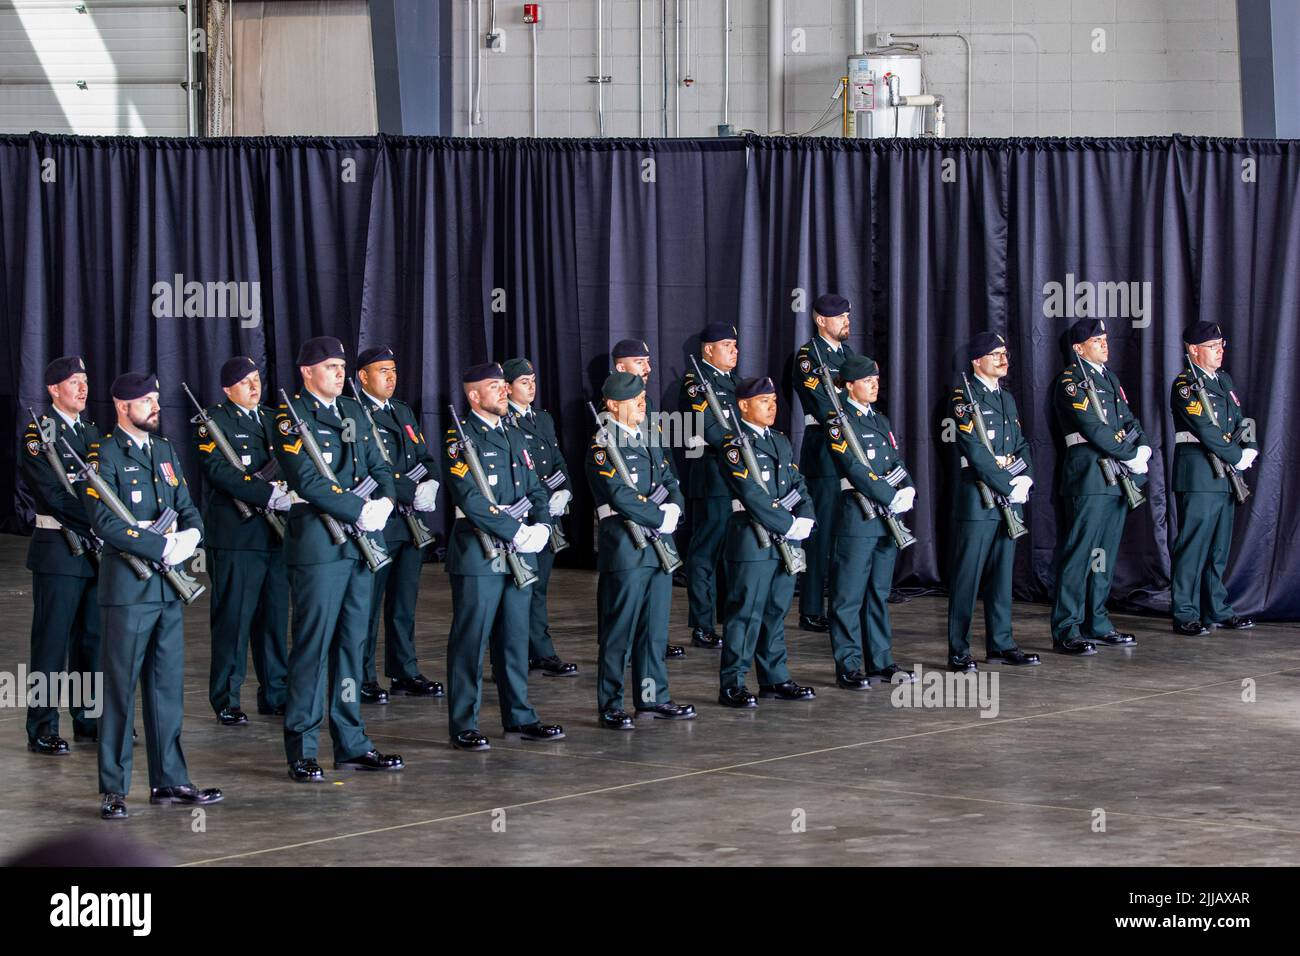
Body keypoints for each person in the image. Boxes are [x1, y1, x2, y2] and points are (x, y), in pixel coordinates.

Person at [86, 372, 222, 819]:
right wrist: (156, 544)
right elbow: (104, 523)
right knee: (120, 692)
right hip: (128, 589)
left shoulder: (164, 451)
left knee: (166, 690)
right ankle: (114, 788)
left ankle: (170, 780)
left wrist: (190, 537)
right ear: (122, 406)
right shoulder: (103, 454)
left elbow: (186, 505)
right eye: (145, 400)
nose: (154, 406)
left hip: (167, 587)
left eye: (155, 399)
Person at [274, 336, 404, 781]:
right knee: (313, 647)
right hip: (318, 547)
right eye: (329, 366)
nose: (338, 373)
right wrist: (356, 508)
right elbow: (307, 479)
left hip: (359, 545)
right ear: (306, 372)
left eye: (341, 366)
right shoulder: (291, 419)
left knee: (352, 647)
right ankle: (303, 748)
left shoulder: (354, 412)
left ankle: (351, 741)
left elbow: (380, 465)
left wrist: (384, 501)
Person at [443, 362, 564, 751]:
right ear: (474, 396)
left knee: (514, 638)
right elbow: (471, 500)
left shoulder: (515, 433)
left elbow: (536, 487)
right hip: (479, 553)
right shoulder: (460, 439)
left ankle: (520, 716)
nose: (502, 392)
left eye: (502, 386)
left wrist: (542, 526)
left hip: (521, 550)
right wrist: (517, 531)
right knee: (471, 639)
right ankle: (464, 722)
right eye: (493, 388)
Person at [587, 371, 696, 729]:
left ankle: (651, 697)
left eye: (643, 398)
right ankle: (611, 704)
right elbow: (619, 495)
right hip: (626, 548)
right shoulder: (603, 445)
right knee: (619, 631)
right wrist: (658, 515)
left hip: (659, 546)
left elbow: (669, 477)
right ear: (614, 405)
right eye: (635, 401)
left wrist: (674, 509)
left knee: (654, 631)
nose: (642, 404)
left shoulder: (650, 435)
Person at [195, 356, 291, 725]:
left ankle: (275, 693)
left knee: (273, 619)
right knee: (233, 620)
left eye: (256, 379)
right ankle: (226, 698)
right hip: (236, 535)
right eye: (245, 381)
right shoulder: (214, 422)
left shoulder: (271, 419)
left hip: (274, 535)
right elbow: (219, 472)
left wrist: (285, 492)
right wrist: (265, 492)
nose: (255, 386)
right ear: (226, 389)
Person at [1050, 319, 1151, 655]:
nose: (1105, 344)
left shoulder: (1108, 378)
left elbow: (1128, 419)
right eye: (1097, 340)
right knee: (1081, 552)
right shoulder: (1071, 381)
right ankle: (1067, 627)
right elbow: (1093, 427)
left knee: (1102, 554)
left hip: (1117, 475)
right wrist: (1129, 453)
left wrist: (1142, 449)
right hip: (1090, 475)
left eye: (1105, 339)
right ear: (1079, 348)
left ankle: (1098, 620)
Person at [715, 376, 816, 708]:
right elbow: (752, 495)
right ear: (744, 405)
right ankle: (733, 684)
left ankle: (775, 677)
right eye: (764, 401)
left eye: (774, 401)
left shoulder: (780, 441)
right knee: (745, 613)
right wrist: (788, 523)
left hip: (784, 540)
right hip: (751, 540)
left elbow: (798, 484)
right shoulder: (733, 445)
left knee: (775, 610)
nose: (772, 407)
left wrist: (806, 517)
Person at [20, 356, 102, 755]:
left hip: (92, 551)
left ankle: (88, 719)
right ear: (54, 390)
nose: (83, 388)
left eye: (85, 381)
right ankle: (42, 727)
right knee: (51, 644)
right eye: (74, 382)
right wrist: (100, 520)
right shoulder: (38, 434)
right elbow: (51, 496)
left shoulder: (89, 431)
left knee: (91, 639)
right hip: (58, 551)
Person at [355, 345, 444, 702]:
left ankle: (403, 670)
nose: (390, 377)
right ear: (363, 377)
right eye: (382, 371)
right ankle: (362, 675)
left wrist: (432, 482)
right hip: (379, 522)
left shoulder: (402, 411)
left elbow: (424, 456)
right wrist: (410, 489)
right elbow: (369, 467)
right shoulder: (355, 414)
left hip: (410, 525)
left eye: (393, 370)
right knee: (368, 605)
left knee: (403, 603)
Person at [946, 332, 1040, 672]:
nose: (1003, 359)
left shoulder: (1007, 399)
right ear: (976, 361)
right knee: (968, 577)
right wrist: (1005, 483)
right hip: (979, 497)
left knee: (1002, 574)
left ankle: (1001, 643)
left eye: (1005, 352)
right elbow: (976, 452)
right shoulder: (963, 399)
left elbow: (1020, 444)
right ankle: (958, 649)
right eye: (995, 354)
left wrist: (1025, 476)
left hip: (1010, 496)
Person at [824, 354, 918, 689]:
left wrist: (906, 487)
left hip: (886, 519)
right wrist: (888, 494)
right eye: (867, 381)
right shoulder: (838, 422)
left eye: (876, 379)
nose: (874, 385)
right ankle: (848, 665)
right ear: (849, 386)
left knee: (878, 592)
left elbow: (895, 460)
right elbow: (854, 467)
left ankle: (880, 660)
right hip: (858, 516)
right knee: (848, 596)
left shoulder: (879, 420)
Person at [1169, 321, 1258, 635]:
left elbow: (1240, 419)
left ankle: (1216, 609)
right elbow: (1205, 428)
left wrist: (1250, 446)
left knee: (1219, 547)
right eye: (1212, 346)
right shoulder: (1185, 385)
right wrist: (1236, 455)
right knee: (1193, 546)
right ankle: (1185, 612)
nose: (1220, 351)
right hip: (1199, 473)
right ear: (1194, 350)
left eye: (1222, 345)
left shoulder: (1223, 381)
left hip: (1225, 475)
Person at [504, 357, 578, 677]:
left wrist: (566, 492)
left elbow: (559, 461)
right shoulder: (503, 421)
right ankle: (513, 654)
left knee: (540, 586)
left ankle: (541, 650)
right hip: (521, 516)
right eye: (524, 382)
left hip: (546, 515)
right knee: (517, 588)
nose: (531, 386)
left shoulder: (543, 419)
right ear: (506, 388)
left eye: (533, 380)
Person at [611, 338, 685, 660]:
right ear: (620, 366)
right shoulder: (612, 412)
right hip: (628, 516)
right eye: (640, 362)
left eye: (648, 361)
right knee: (620, 595)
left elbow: (662, 457)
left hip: (656, 506)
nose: (648, 368)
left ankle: (650, 642)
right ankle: (621, 647)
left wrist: (673, 502)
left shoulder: (647, 405)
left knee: (656, 591)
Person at [792, 293, 857, 632]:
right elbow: (824, 406)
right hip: (824, 448)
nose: (847, 321)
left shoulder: (848, 355)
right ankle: (812, 606)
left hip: (853, 445)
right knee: (821, 530)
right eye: (840, 316)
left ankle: (842, 601)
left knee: (846, 531)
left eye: (848, 315)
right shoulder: (808, 357)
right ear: (820, 320)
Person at [679, 323, 740, 651]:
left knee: (731, 552)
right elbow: (710, 429)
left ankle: (729, 617)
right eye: (727, 345)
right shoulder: (696, 383)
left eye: (735, 345)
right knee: (704, 554)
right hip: (713, 478)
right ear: (708, 350)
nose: (734, 350)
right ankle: (702, 625)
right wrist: (738, 445)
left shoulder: (734, 383)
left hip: (737, 479)